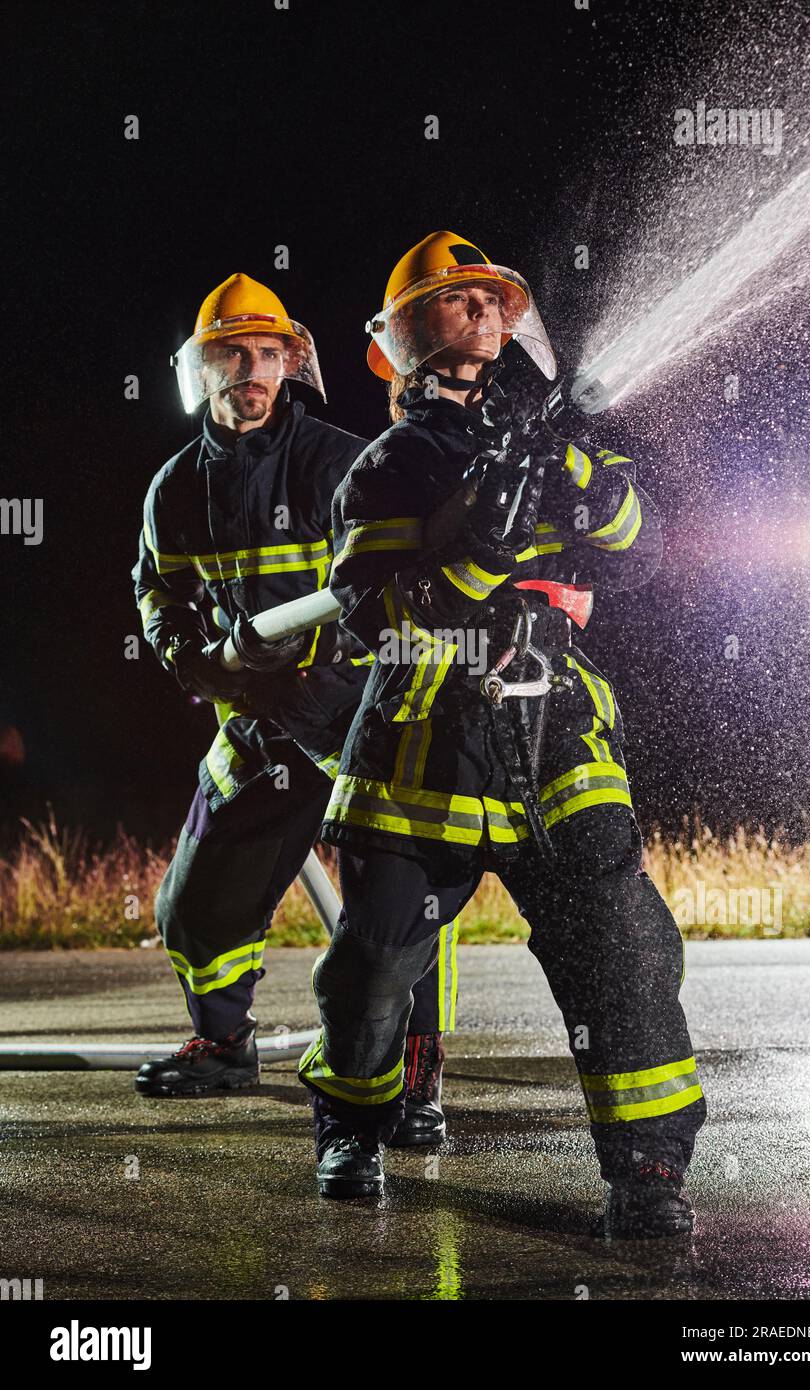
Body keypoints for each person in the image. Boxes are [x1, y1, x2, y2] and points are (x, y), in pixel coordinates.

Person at [298, 232, 707, 1233]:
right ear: (405, 334)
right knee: (379, 957)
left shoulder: (555, 439)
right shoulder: (386, 468)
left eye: (489, 299)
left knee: (617, 941)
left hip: (554, 724)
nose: (478, 314)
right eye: (452, 300)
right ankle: (354, 1121)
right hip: (420, 733)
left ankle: (647, 1171)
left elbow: (640, 554)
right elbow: (381, 620)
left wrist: (586, 484)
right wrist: (477, 543)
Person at [131, 273, 458, 1146]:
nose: (252, 369)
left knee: (395, 909)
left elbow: (393, 585)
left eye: (268, 352)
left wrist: (325, 668)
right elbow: (157, 595)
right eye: (232, 353)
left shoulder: (342, 461)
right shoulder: (175, 490)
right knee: (193, 903)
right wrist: (200, 660)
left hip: (356, 718)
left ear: (291, 362)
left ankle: (413, 1077)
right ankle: (225, 1042)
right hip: (257, 718)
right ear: (201, 372)